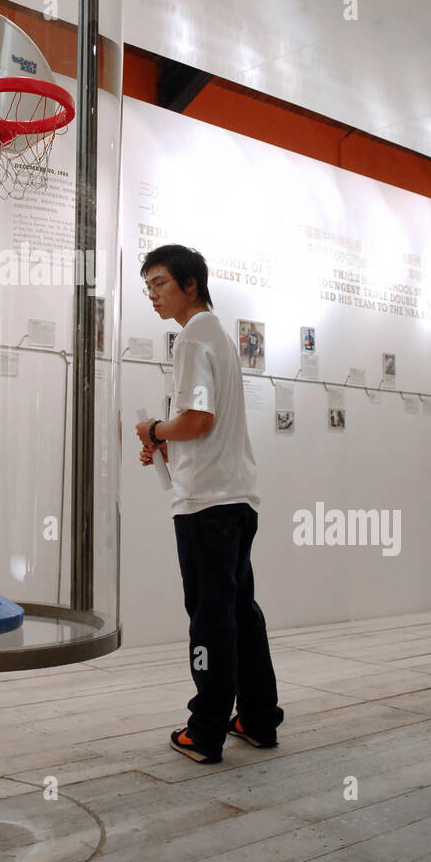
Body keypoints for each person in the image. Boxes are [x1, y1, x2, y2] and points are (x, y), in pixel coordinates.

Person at [135, 244, 283, 764]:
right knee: (240, 611)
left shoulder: (194, 337)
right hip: (235, 497)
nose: (152, 295)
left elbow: (198, 420)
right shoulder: (217, 335)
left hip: (206, 504)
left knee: (210, 618)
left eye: (159, 283)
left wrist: (155, 429)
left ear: (190, 283)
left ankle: (205, 731)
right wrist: (165, 441)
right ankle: (258, 720)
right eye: (148, 287)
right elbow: (203, 425)